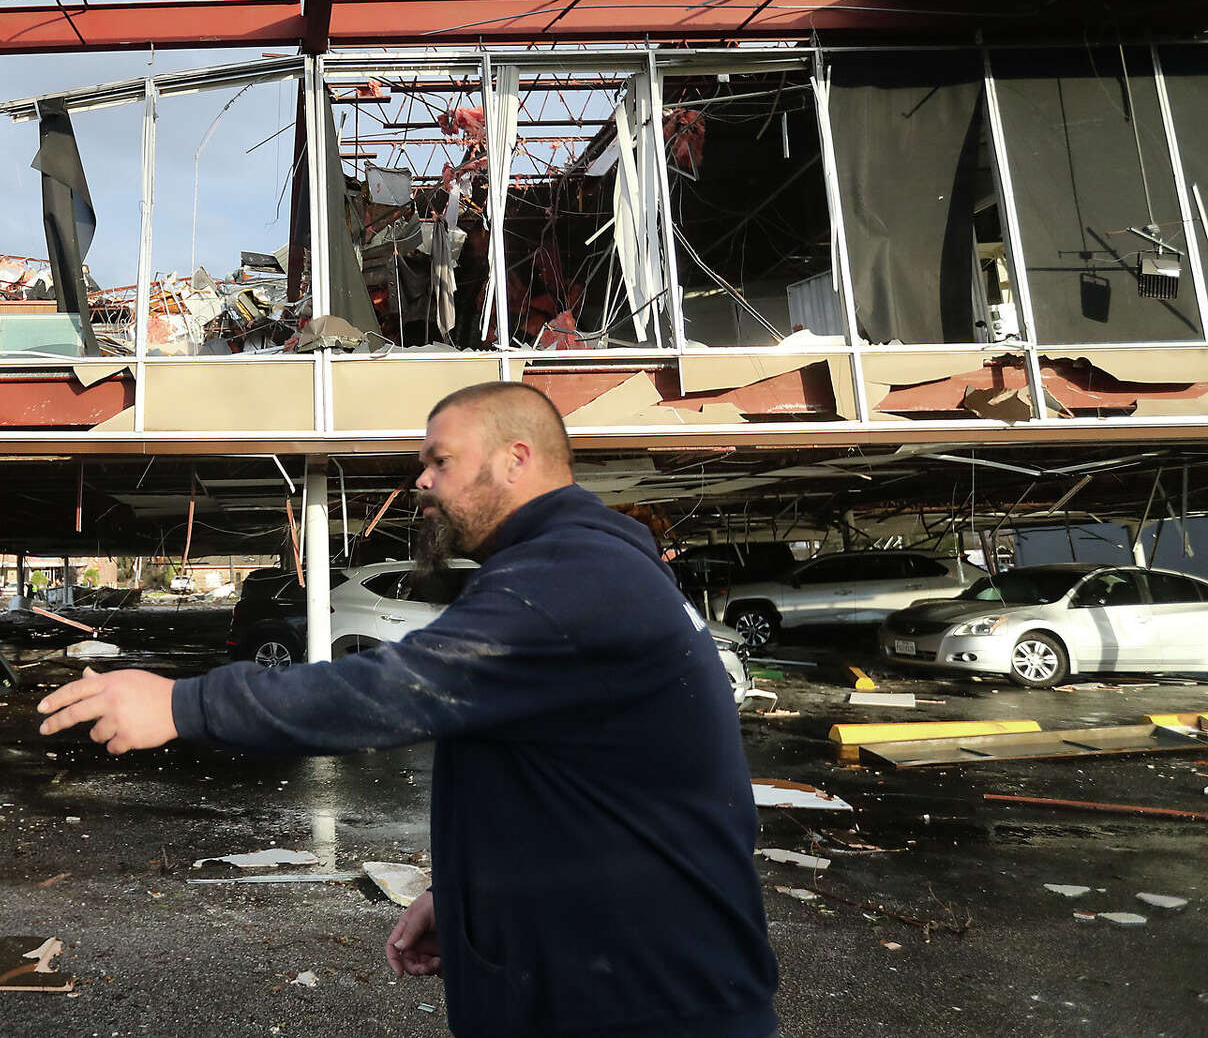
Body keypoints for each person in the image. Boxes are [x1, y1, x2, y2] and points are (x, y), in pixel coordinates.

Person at [38, 381, 779, 1037]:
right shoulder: (583, 567)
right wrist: (460, 893)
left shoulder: (571, 575)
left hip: (644, 996)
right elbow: (551, 775)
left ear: (516, 459)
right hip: (604, 973)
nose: (421, 481)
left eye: (440, 460)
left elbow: (400, 689)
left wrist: (183, 703)